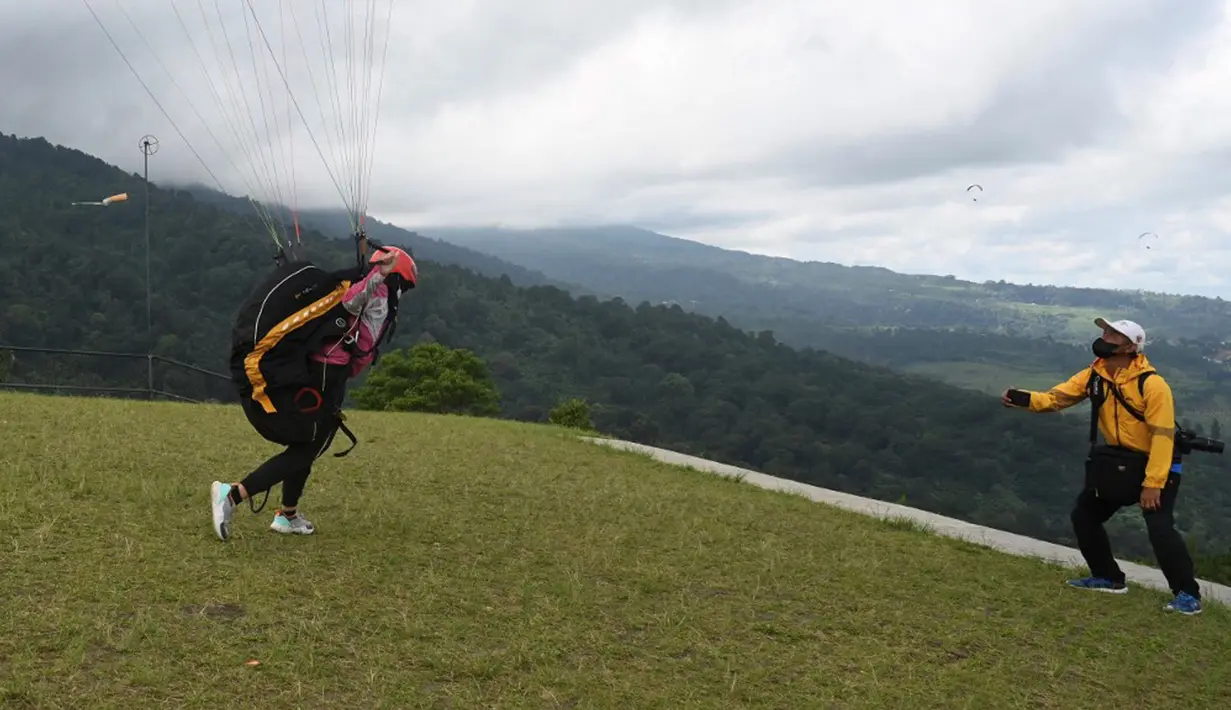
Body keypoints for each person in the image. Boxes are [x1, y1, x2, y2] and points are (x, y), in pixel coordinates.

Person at [210, 246, 418, 541]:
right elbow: (351, 300)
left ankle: (288, 515)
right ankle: (231, 495)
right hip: (325, 373)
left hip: (330, 372)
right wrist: (379, 275)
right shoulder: (373, 288)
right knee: (309, 446)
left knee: (312, 442)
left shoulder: (371, 288)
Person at [1002, 317, 1202, 615]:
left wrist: (1153, 484)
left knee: (1160, 528)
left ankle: (1188, 595)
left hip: (1156, 465)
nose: (1105, 336)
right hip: (1119, 462)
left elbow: (1163, 436)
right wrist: (1022, 399)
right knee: (1085, 515)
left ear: (1132, 346)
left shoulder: (1153, 384)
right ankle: (1108, 578)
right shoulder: (1094, 375)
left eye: (1113, 334)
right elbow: (1056, 399)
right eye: (1105, 331)